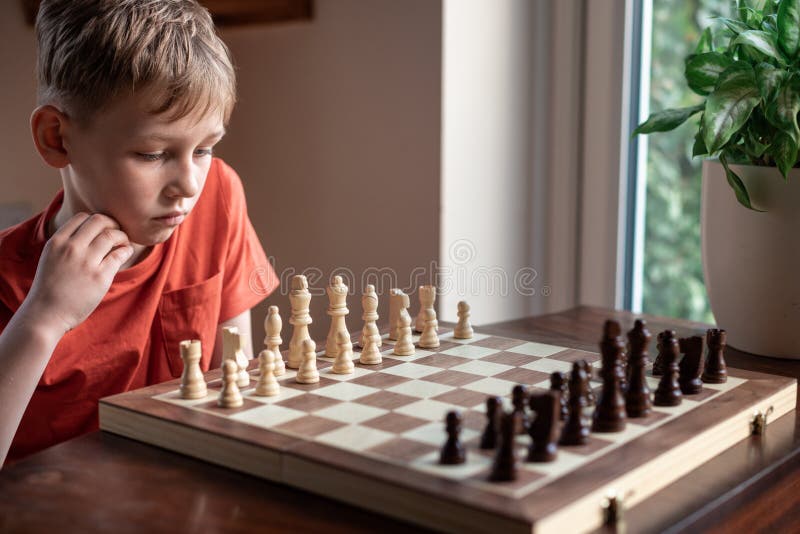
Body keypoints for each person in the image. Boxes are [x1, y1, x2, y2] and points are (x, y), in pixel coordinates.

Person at [0, 0, 279, 466]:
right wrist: (43, 320)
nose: (188, 185)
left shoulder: (217, 196)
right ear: (57, 137)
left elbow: (236, 390)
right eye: (152, 154)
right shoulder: (8, 279)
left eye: (205, 148)